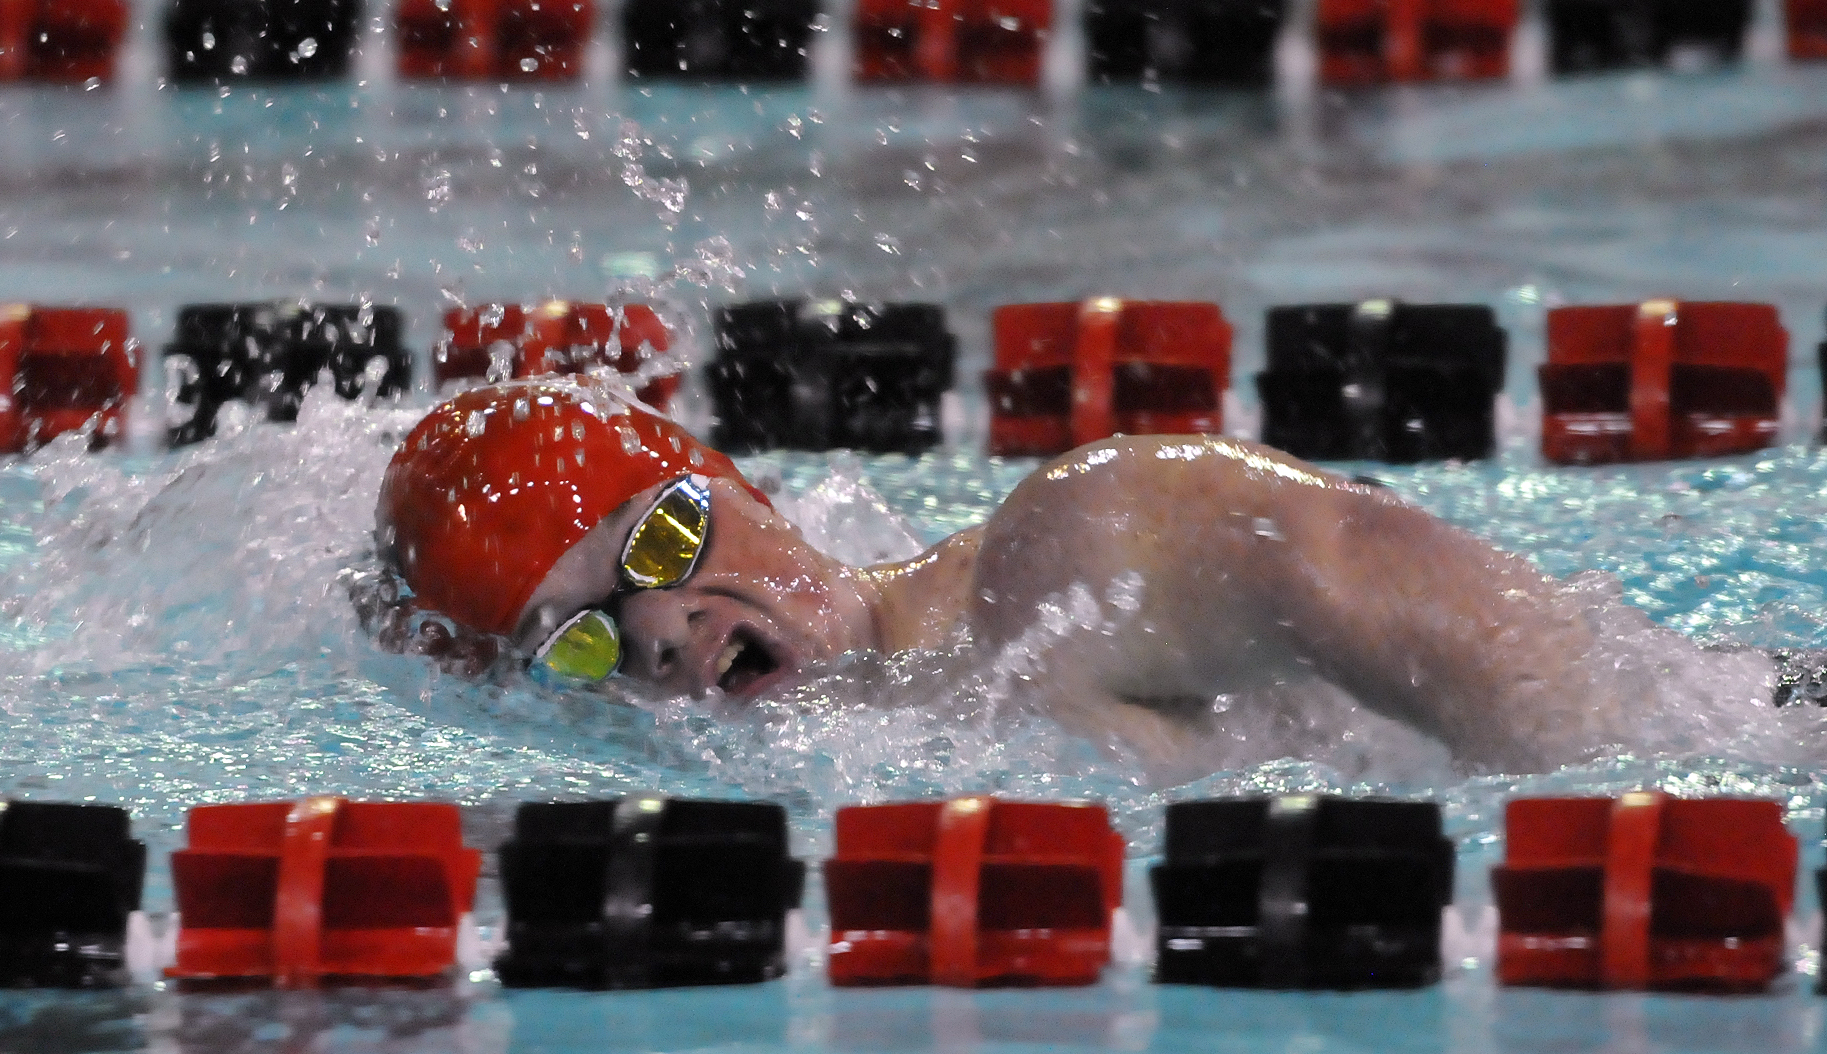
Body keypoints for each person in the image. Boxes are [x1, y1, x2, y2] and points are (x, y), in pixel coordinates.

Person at [369, 375, 1753, 776]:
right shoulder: (854, 764)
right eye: (588, 646)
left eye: (662, 548)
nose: (662, 633)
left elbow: (1529, 667)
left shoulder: (1066, 563)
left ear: (741, 483)